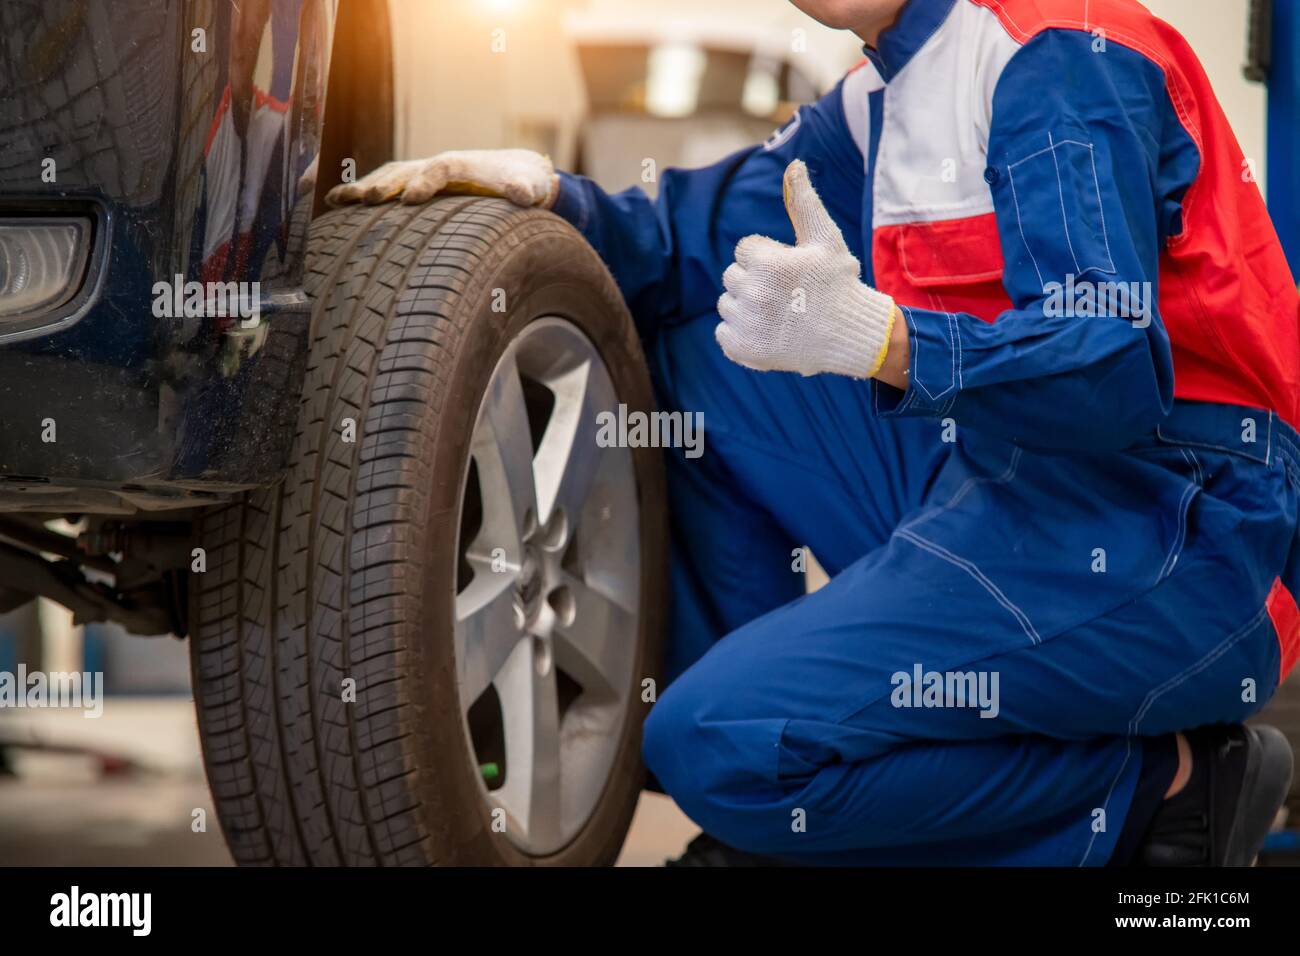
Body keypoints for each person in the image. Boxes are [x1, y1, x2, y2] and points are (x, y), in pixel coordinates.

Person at [329, 0, 1300, 866]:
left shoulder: (1055, 53)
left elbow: (1110, 369)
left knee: (706, 743)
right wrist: (549, 197)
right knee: (696, 340)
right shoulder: (882, 91)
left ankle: (1160, 789)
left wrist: (885, 340)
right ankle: (808, 766)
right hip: (1012, 476)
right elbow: (689, 240)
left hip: (1185, 528)